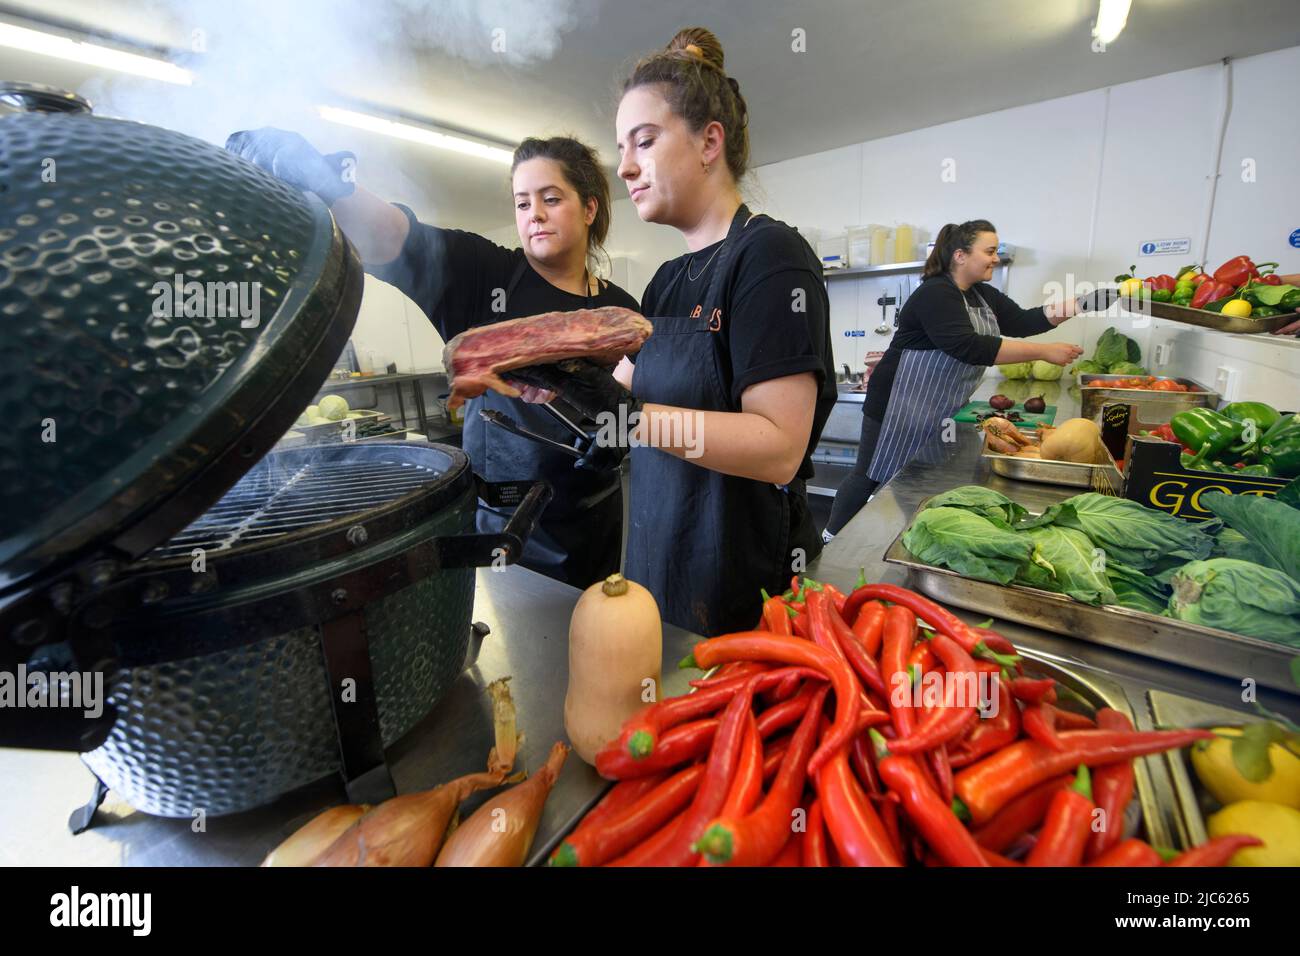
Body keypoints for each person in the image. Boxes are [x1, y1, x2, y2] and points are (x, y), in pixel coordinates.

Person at [512, 27, 836, 637]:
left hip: (748, 585)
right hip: (663, 563)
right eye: (621, 146)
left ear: (709, 141)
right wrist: (565, 384)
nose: (626, 166)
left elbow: (778, 448)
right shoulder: (666, 282)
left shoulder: (770, 258)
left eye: (645, 140)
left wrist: (632, 418)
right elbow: (628, 393)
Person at [224, 129, 637, 587]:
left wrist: (622, 423)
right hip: (500, 527)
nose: (534, 214)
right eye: (522, 203)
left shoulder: (622, 310)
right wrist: (328, 182)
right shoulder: (483, 274)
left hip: (591, 522)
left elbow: (638, 408)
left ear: (590, 207)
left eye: (551, 198)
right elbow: (394, 240)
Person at [824, 220, 1085, 538]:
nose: (995, 259)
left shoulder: (981, 294)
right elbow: (969, 346)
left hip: (937, 404)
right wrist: (1044, 352)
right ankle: (832, 539)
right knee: (869, 475)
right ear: (960, 255)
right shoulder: (935, 293)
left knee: (914, 476)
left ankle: (915, 533)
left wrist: (1083, 303)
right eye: (989, 251)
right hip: (896, 403)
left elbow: (1025, 320)